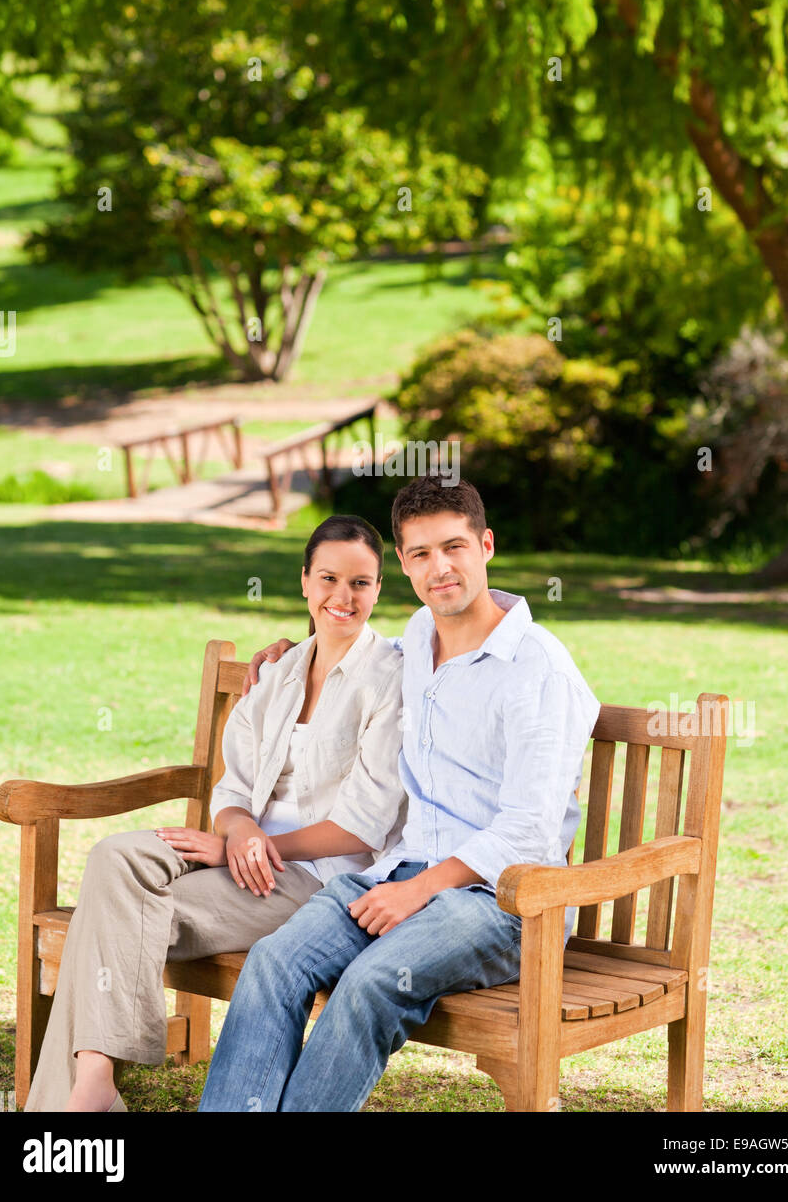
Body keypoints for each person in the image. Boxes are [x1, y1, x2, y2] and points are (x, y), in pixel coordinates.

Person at [197, 473, 600, 1113]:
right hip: (397, 874)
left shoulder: (539, 671)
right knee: (274, 962)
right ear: (406, 568)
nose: (439, 568)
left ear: (486, 545)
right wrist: (288, 653)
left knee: (372, 982)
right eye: (419, 554)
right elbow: (346, 642)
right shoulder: (417, 637)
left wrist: (418, 891)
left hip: (507, 904)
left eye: (454, 547)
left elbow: (529, 831)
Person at [23, 515, 406, 1112]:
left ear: (379, 590)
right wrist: (239, 830)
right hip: (238, 858)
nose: (344, 596)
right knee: (113, 859)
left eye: (361, 583)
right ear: (305, 581)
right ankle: (93, 1086)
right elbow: (231, 791)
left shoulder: (391, 679)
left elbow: (363, 826)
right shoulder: (277, 672)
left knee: (108, 918)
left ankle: (77, 1105)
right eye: (329, 578)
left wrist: (251, 848)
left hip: (311, 882)